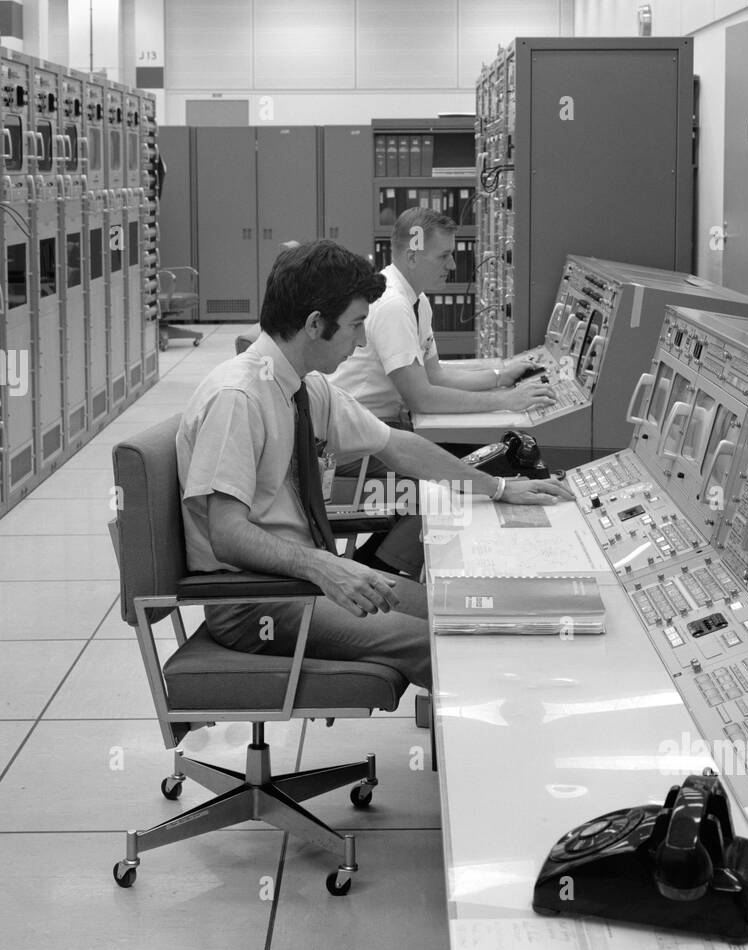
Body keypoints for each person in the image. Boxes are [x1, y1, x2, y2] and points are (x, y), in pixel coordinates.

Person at [175, 240, 572, 693]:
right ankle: (498, 745)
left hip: (299, 580)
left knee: (465, 608)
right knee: (446, 641)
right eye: (356, 326)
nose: (362, 341)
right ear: (314, 324)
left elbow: (397, 447)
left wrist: (498, 487)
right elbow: (225, 533)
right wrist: (322, 566)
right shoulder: (239, 398)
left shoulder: (303, 389)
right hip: (257, 603)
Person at [330, 207, 554, 421]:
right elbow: (422, 399)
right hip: (359, 436)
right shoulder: (393, 305)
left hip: (380, 422)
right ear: (412, 257)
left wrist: (499, 376)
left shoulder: (418, 301)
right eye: (444, 256)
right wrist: (505, 400)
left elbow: (435, 375)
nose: (453, 265)